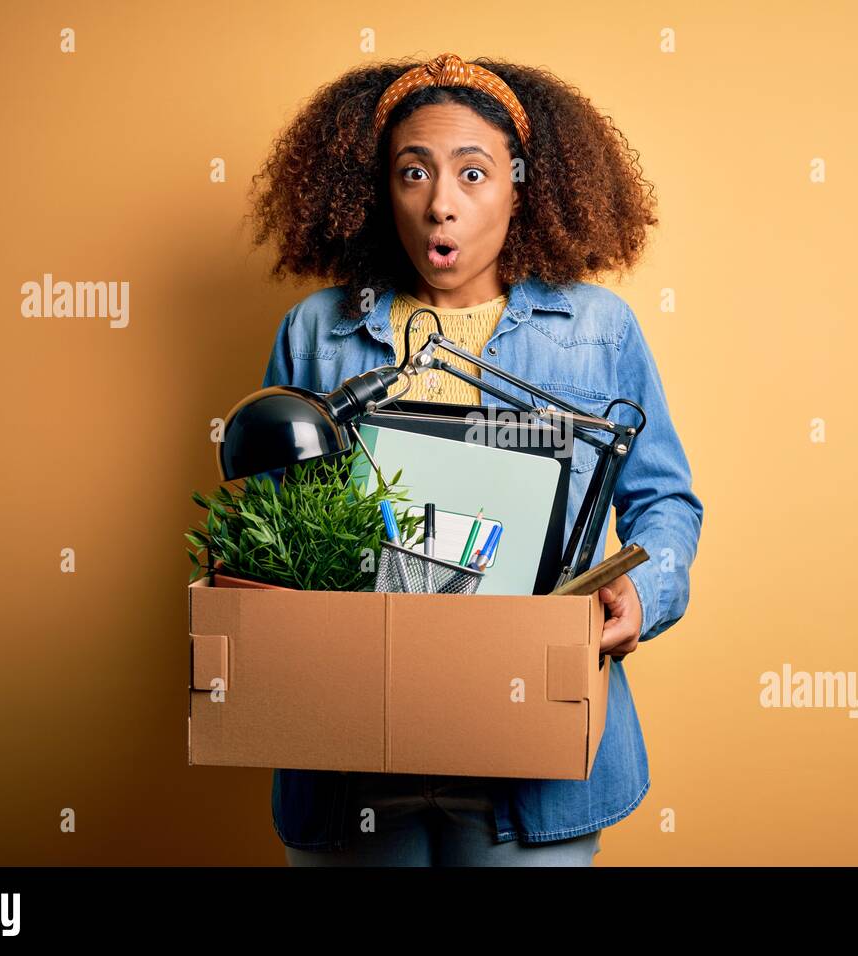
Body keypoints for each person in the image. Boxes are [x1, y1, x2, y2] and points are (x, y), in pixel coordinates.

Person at [250, 53, 703, 866]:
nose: (440, 205)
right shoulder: (315, 332)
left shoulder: (598, 330)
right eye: (413, 173)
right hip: (351, 757)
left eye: (473, 173)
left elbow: (665, 502)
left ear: (522, 186)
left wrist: (646, 589)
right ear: (378, 190)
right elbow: (271, 526)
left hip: (533, 770)